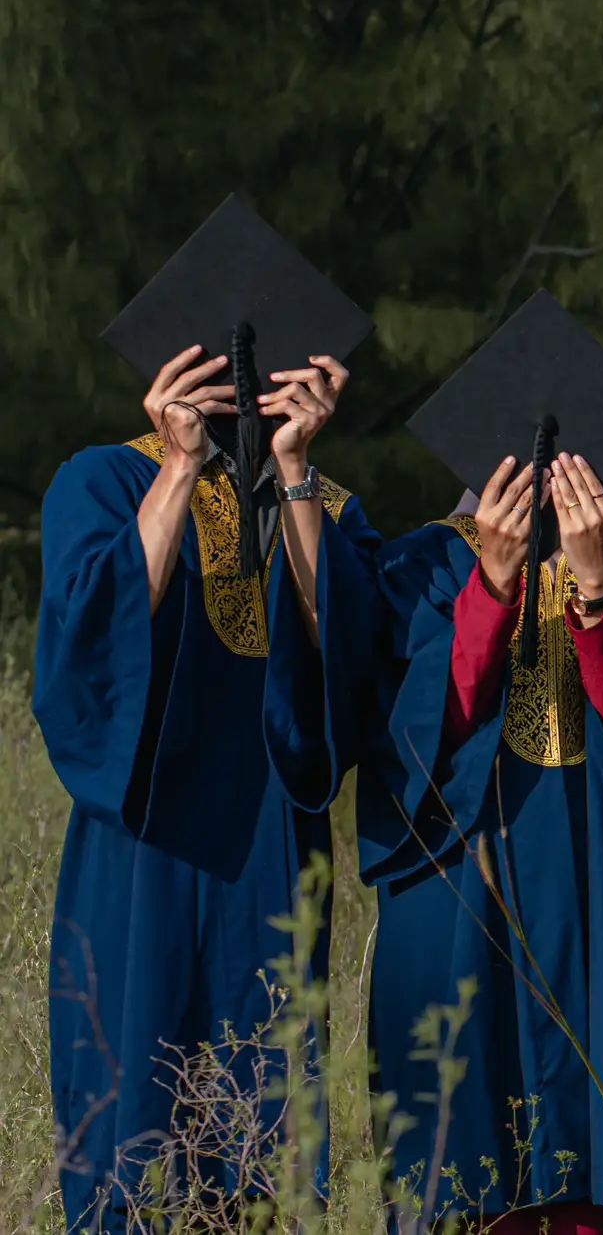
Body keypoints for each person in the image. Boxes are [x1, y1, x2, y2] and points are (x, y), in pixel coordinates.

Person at [38, 199, 379, 1230]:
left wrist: (296, 472)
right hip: (143, 840)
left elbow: (343, 649)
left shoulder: (330, 503)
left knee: (266, 1125)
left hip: (271, 844)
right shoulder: (99, 479)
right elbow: (93, 640)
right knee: (130, 1121)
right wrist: (181, 464)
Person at [360, 292, 603, 1234]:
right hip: (453, 892)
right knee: (453, 1168)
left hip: (591, 894)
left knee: (585, 1165)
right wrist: (494, 582)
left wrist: (599, 588)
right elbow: (410, 732)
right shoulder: (418, 569)